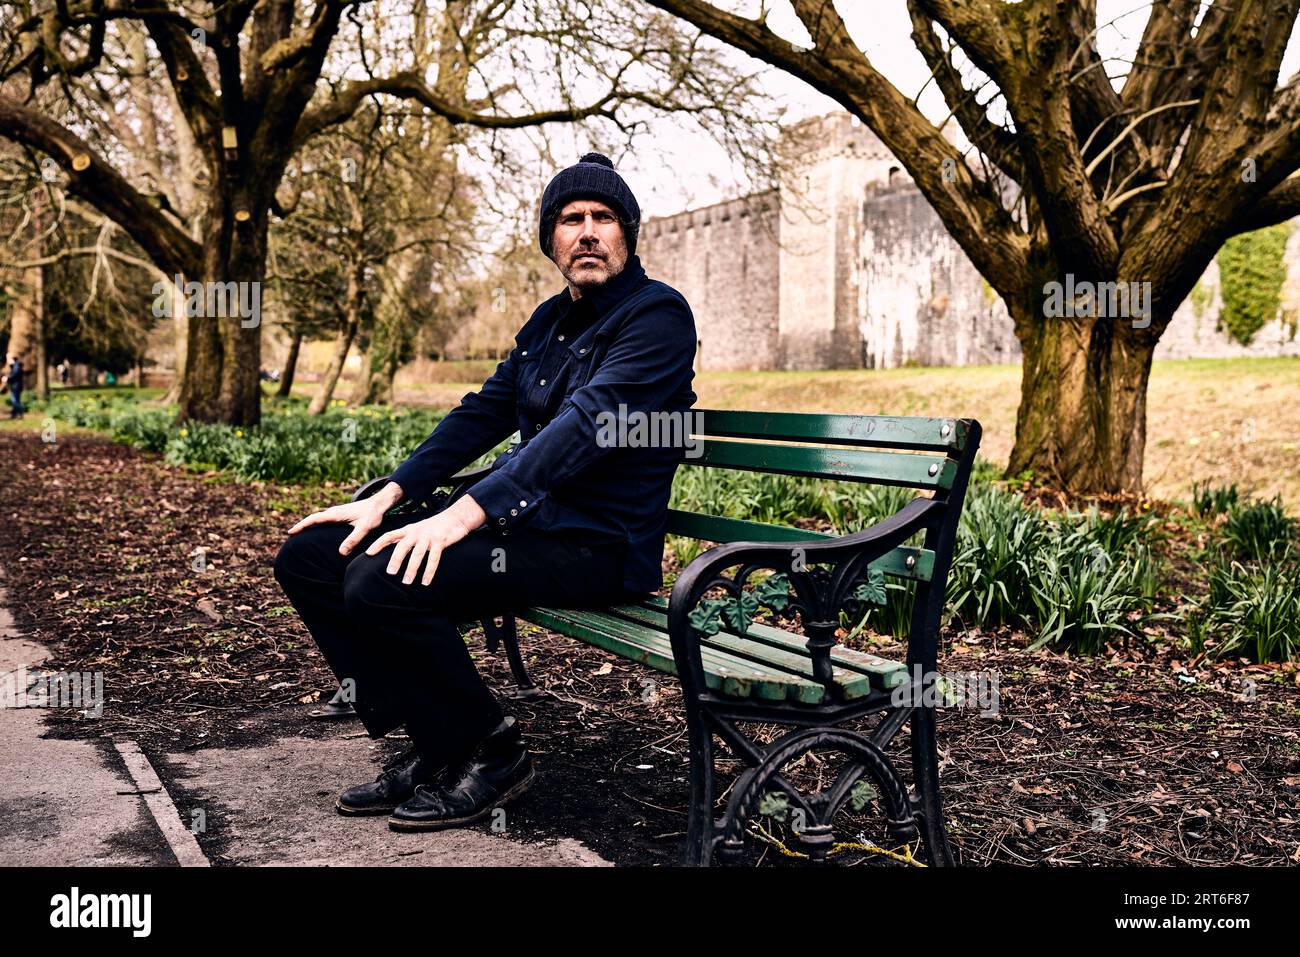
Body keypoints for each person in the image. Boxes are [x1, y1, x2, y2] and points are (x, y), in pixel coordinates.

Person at [273, 153, 698, 832]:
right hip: (530, 528)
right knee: (315, 555)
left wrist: (461, 515)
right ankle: (437, 736)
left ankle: (491, 750)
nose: (586, 232)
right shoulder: (548, 322)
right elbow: (482, 410)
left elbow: (585, 427)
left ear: (627, 234)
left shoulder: (658, 318)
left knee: (381, 579)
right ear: (550, 240)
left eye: (603, 218)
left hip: (597, 546)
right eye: (569, 219)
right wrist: (390, 494)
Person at [2, 354, 24, 419]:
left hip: (16, 386)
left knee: (15, 401)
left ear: (11, 358)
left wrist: (7, 378)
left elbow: (15, 375)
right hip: (15, 386)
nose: (7, 360)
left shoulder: (17, 366)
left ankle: (19, 414)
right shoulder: (14, 366)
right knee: (15, 400)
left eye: (8, 359)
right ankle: (15, 414)